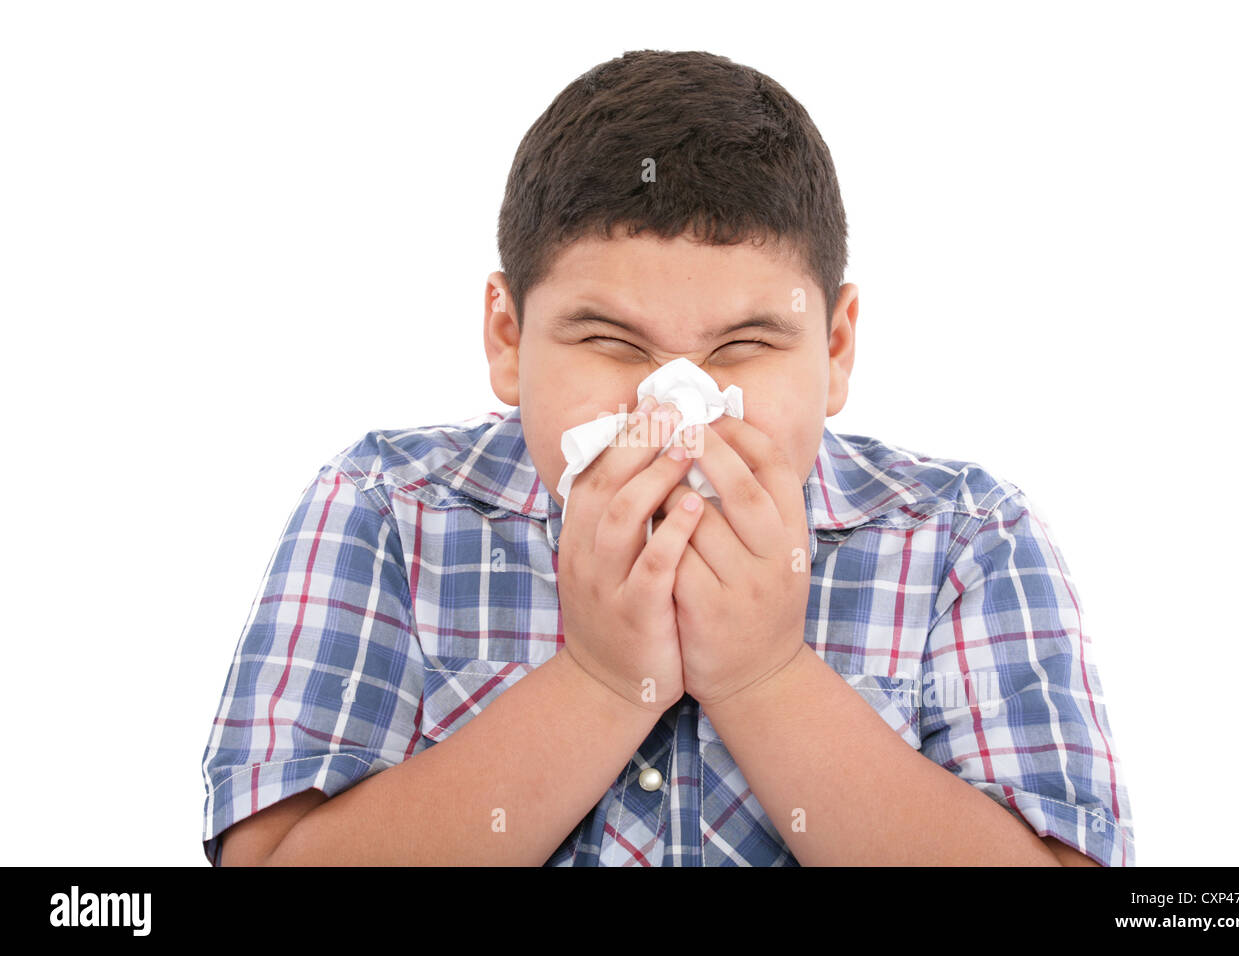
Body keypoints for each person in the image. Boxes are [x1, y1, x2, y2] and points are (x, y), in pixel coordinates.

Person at [200, 49, 1135, 866]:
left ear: (836, 349)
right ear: (507, 338)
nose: (674, 409)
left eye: (743, 347)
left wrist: (764, 677)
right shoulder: (383, 509)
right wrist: (599, 682)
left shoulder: (967, 539)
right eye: (609, 341)